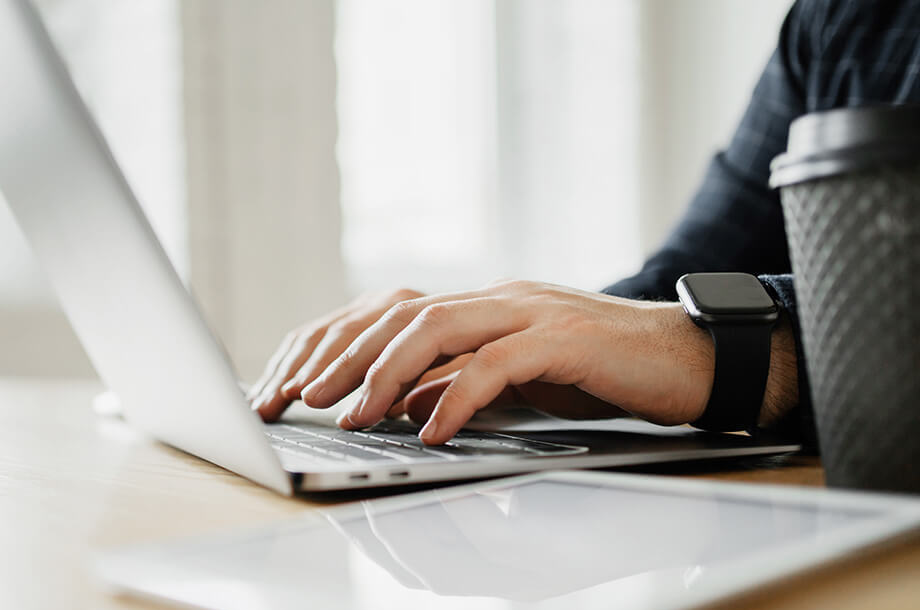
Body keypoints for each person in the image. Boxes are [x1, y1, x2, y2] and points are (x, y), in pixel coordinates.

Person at [246, 0, 920, 446]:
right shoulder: (842, 19)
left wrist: (735, 354)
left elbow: (694, 335)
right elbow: (681, 280)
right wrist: (504, 340)